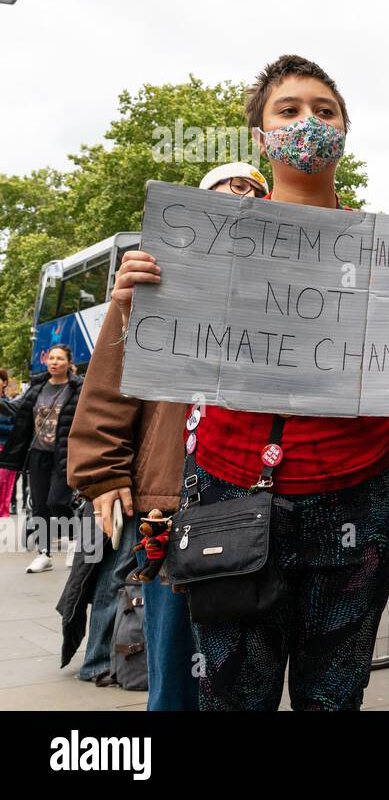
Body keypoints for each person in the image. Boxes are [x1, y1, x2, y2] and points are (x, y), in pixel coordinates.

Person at [111, 55, 389, 710]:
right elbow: (172, 356)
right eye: (290, 110)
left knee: (333, 696)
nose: (309, 122)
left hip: (358, 497)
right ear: (260, 137)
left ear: (345, 133)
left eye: (325, 111)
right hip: (231, 491)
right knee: (231, 695)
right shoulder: (206, 243)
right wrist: (140, 306)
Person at [64, 162, 269, 708]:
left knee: (250, 674)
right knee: (175, 674)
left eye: (254, 194)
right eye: (225, 193)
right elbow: (110, 384)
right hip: (175, 503)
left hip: (267, 500)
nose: (239, 200)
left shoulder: (282, 295)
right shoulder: (151, 285)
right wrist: (102, 472)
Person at [1, 344, 83, 573]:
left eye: (60, 358)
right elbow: (17, 408)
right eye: (51, 358)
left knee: (56, 501)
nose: (54, 362)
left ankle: (75, 538)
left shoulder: (78, 388)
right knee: (39, 507)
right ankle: (43, 554)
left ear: (68, 362)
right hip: (37, 454)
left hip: (64, 455)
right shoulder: (37, 386)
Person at [0, 368, 16, 518]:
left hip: (4, 449)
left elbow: (15, 429)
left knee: (3, 485)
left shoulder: (9, 405)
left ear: (4, 383)